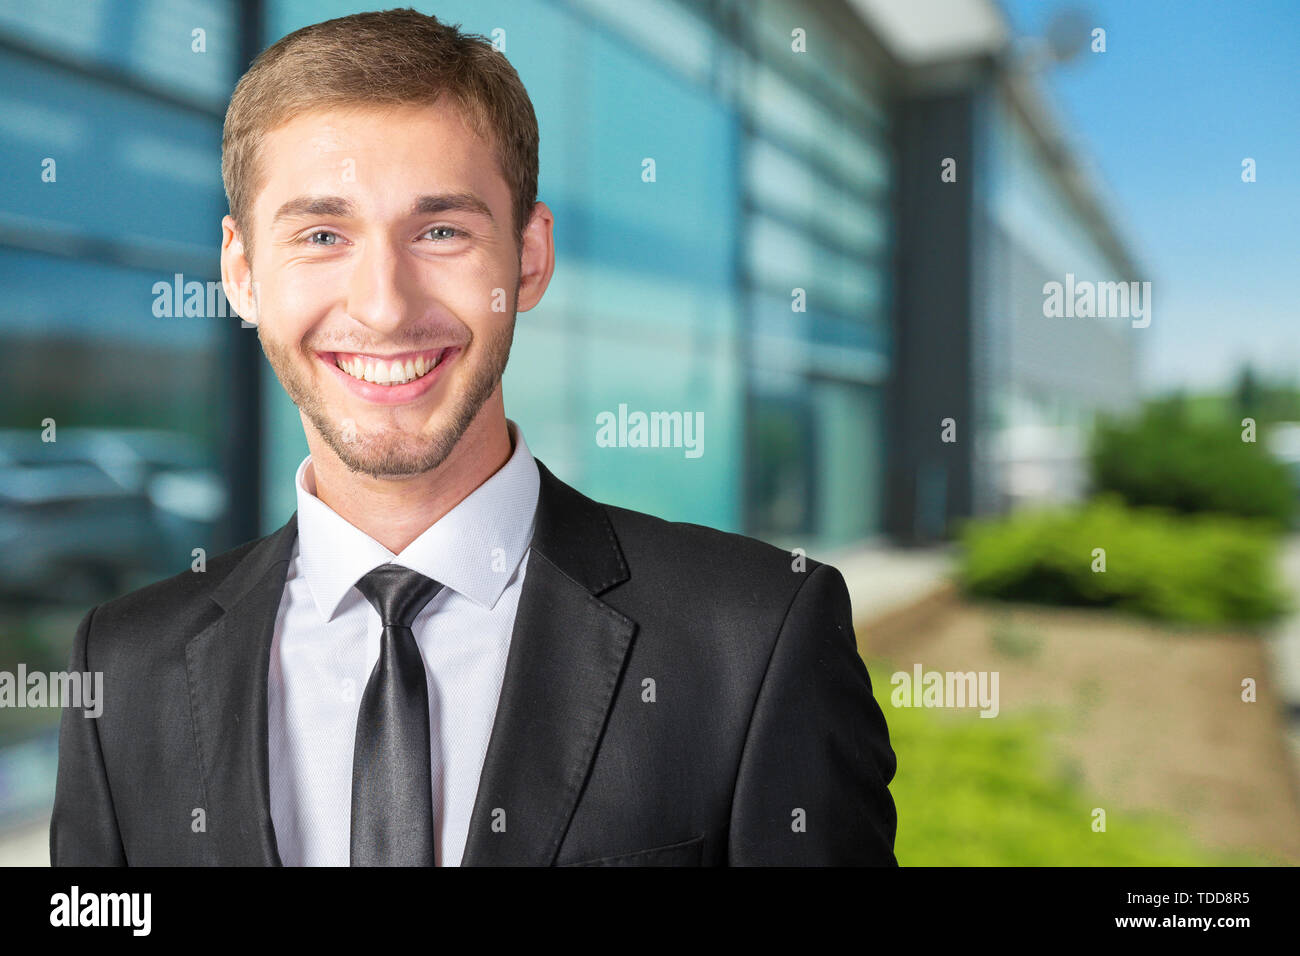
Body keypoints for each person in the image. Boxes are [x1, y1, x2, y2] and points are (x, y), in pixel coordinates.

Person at [49, 7, 897, 866]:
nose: (383, 305)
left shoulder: (755, 638)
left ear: (528, 258)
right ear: (242, 274)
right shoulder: (122, 667)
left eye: (442, 231)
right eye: (321, 235)